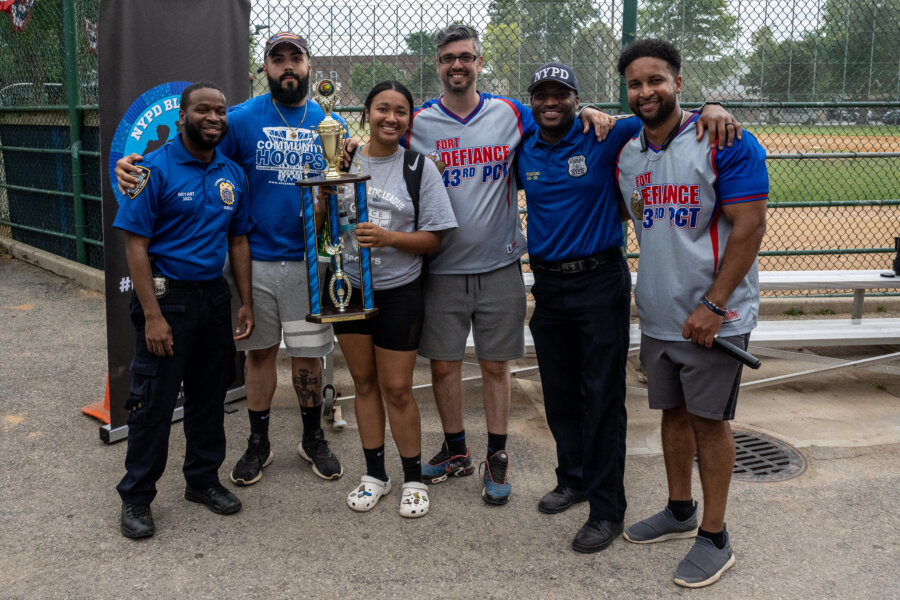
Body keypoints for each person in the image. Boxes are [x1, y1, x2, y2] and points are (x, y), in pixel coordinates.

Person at [516, 62, 742, 554]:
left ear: (579, 100)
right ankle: (572, 478)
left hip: (599, 281)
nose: (551, 103)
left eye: (562, 95)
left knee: (600, 399)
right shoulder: (525, 144)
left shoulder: (608, 135)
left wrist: (713, 107)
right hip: (549, 287)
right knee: (558, 395)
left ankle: (606, 509)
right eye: (542, 95)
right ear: (532, 101)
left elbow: (662, 114)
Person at [116, 32, 344, 487]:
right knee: (259, 355)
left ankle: (311, 436)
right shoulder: (239, 119)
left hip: (308, 261)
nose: (286, 68)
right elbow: (197, 154)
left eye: (294, 59)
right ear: (265, 69)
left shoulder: (328, 121)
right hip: (254, 258)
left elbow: (336, 184)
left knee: (307, 359)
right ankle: (258, 442)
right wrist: (132, 163)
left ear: (308, 68)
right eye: (276, 59)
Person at [405, 24, 617, 506]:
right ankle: (456, 449)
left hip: (500, 265)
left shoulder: (510, 114)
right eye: (447, 58)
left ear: (479, 63)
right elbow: (381, 145)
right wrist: (353, 145)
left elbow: (555, 114)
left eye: (465, 56)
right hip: (441, 268)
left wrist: (586, 109)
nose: (456, 65)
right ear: (437, 65)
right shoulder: (418, 124)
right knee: (443, 367)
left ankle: (496, 455)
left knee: (496, 367)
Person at [615, 39, 768, 588]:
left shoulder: (723, 139)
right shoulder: (628, 151)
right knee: (672, 415)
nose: (646, 91)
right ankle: (680, 510)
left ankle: (715, 535)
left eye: (656, 80)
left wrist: (713, 304)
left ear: (678, 84)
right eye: (635, 83)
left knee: (710, 423)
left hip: (714, 317)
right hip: (659, 315)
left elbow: (749, 229)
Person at [113, 82, 254, 539]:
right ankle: (136, 498)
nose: (213, 117)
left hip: (213, 298)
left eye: (220, 111)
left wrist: (244, 300)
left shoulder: (232, 172)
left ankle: (202, 481)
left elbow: (237, 241)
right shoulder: (150, 171)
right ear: (182, 118)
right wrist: (153, 316)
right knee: (152, 404)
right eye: (202, 110)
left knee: (209, 397)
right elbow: (135, 246)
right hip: (166, 300)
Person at [334, 81, 457, 518]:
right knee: (363, 384)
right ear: (366, 113)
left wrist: (389, 238)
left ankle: (413, 478)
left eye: (401, 111)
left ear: (409, 119)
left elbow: (435, 238)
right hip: (347, 288)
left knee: (398, 388)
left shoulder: (418, 167)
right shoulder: (342, 159)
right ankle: (374, 475)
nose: (391, 118)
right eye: (382, 109)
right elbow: (322, 220)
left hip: (400, 290)